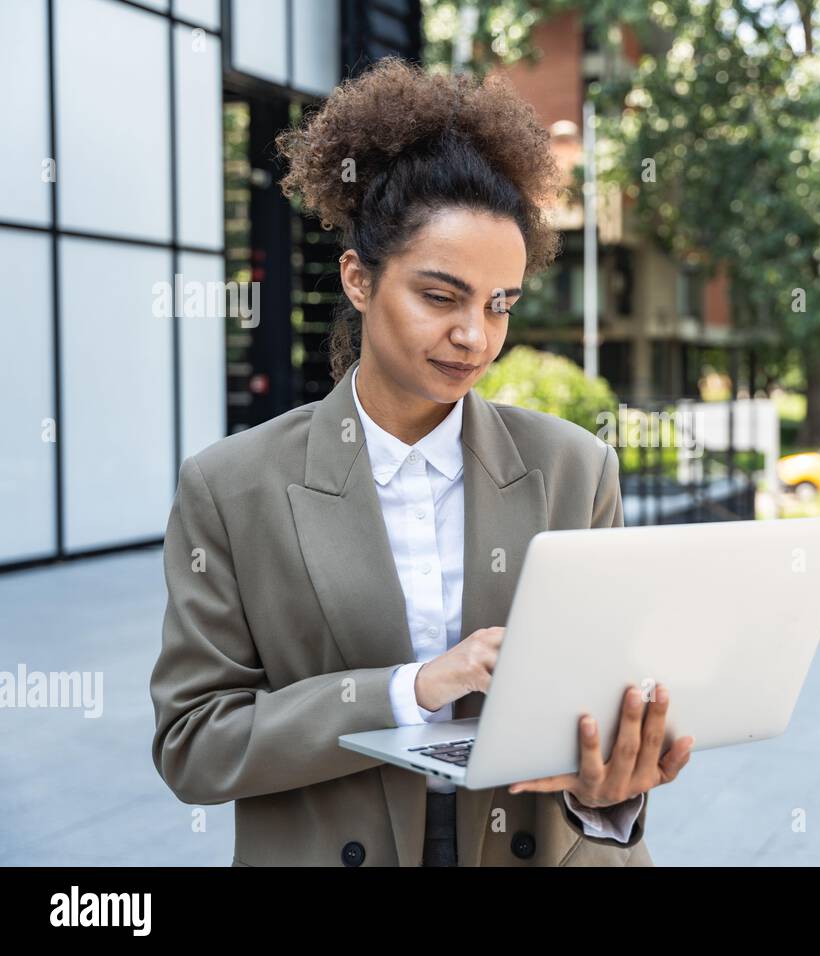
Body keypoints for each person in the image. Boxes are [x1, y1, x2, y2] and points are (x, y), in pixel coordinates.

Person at [149, 58, 693, 867]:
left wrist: (610, 789)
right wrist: (410, 689)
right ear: (359, 279)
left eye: (498, 303)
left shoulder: (576, 470)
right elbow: (194, 744)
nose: (475, 335)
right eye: (442, 296)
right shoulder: (231, 489)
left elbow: (603, 714)